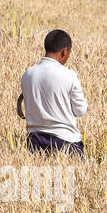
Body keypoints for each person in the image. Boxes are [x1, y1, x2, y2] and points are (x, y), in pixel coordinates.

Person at [20, 29, 88, 158]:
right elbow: (80, 111)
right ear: (64, 51)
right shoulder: (69, 75)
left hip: (34, 141)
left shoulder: (28, 74)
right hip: (65, 142)